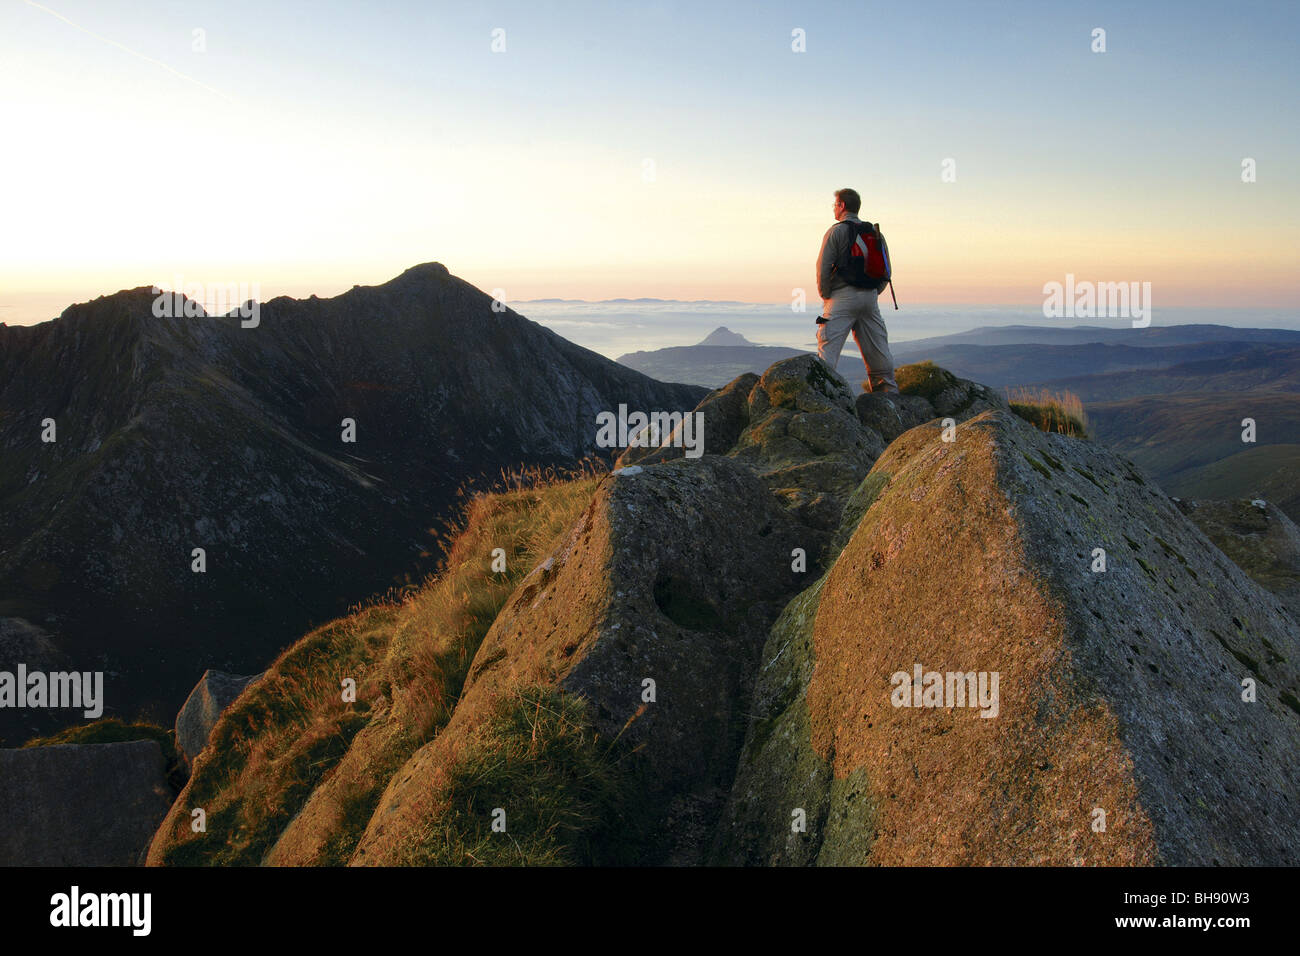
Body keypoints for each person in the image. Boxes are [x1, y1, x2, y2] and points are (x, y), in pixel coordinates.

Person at [815, 188, 898, 393]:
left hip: (842, 297)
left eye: (835, 204)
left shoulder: (837, 231)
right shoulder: (875, 232)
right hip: (869, 298)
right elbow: (886, 270)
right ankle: (888, 397)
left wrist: (827, 296)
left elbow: (823, 267)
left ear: (842, 205)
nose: (834, 208)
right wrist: (873, 292)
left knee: (828, 352)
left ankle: (822, 396)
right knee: (878, 351)